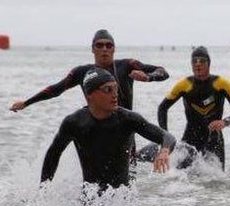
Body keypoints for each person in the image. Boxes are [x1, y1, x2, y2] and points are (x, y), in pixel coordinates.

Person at [42, 68, 175, 190]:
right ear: (89, 95)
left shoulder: (128, 119)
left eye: (115, 88)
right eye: (107, 90)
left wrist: (164, 150)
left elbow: (167, 137)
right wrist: (43, 189)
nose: (115, 94)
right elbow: (53, 155)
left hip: (121, 198)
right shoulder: (74, 122)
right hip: (90, 197)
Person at [10, 29, 169, 112]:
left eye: (109, 45)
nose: (104, 49)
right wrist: (26, 103)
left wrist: (148, 77)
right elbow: (56, 89)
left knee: (129, 174)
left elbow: (162, 71)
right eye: (99, 45)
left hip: (124, 127)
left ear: (114, 49)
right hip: (97, 128)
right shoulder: (82, 72)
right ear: (93, 49)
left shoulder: (127, 65)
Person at [155, 46, 230, 170]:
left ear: (209, 64)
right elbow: (162, 108)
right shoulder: (184, 85)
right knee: (180, 179)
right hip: (190, 138)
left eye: (202, 61)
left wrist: (225, 121)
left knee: (216, 182)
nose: (198, 65)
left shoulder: (221, 84)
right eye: (194, 61)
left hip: (214, 139)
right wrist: (165, 139)